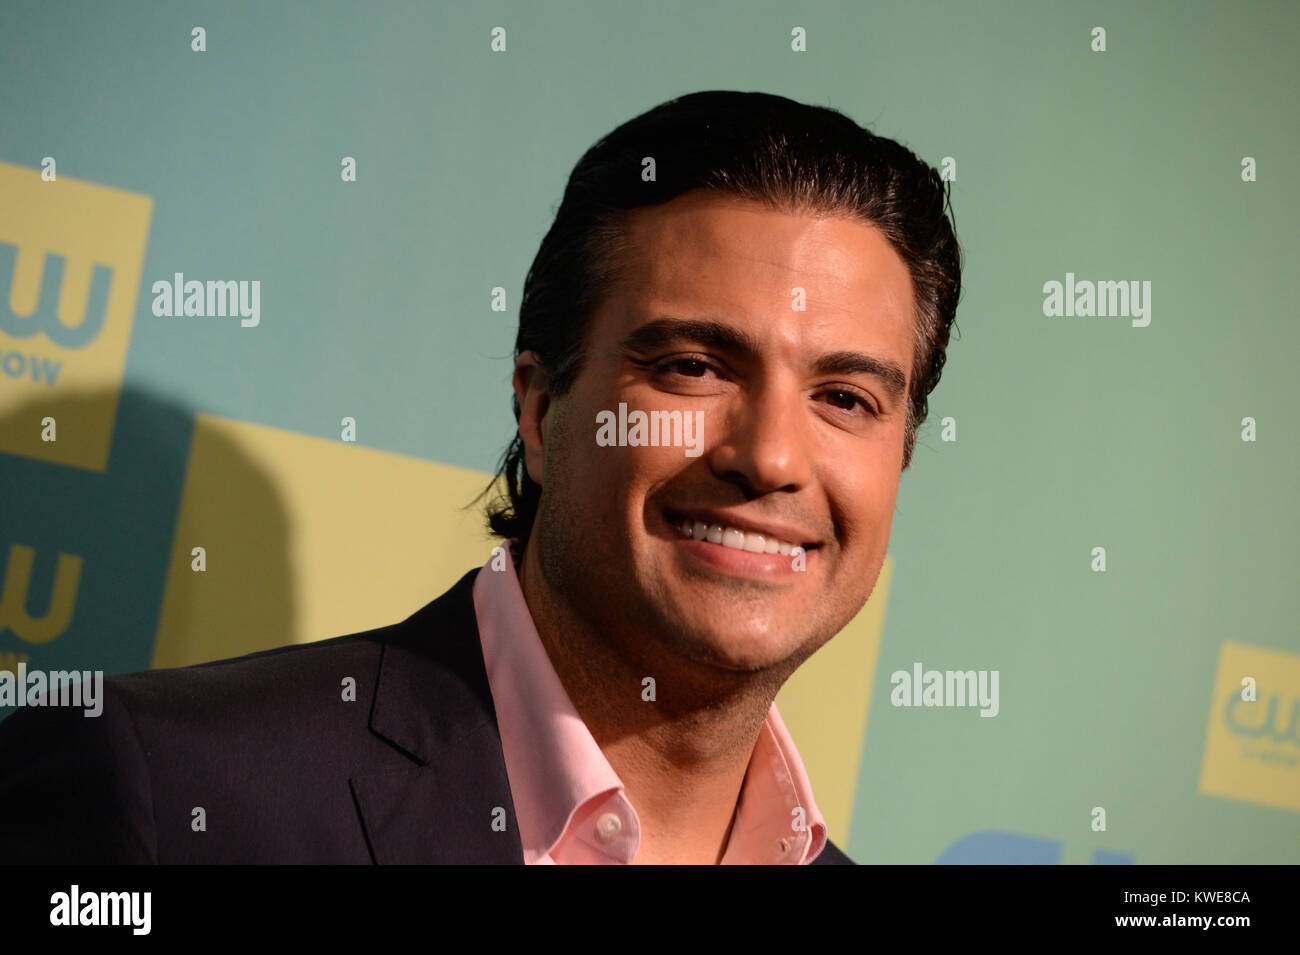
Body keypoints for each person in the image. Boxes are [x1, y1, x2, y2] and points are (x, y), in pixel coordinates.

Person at [0, 89, 961, 864]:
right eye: (694, 367)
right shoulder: (168, 791)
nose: (773, 456)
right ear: (542, 411)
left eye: (846, 397)